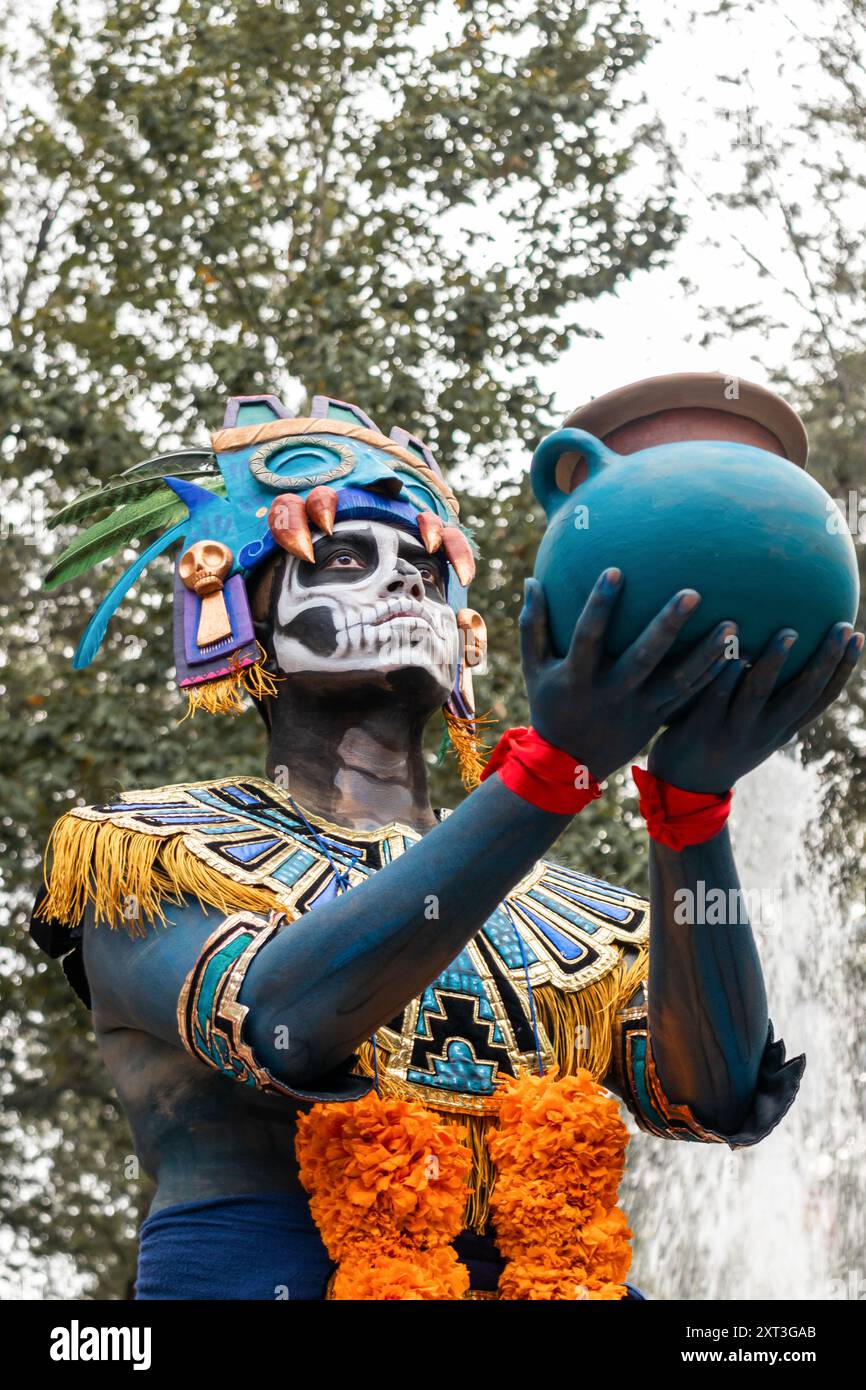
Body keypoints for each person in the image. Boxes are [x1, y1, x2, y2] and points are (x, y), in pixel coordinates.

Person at [31, 380, 862, 1300]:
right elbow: (283, 1026)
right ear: (238, 617)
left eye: (426, 573)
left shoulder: (579, 911)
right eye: (346, 557)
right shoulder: (142, 846)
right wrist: (557, 770)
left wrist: (690, 807)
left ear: (464, 638)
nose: (398, 582)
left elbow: (715, 1098)